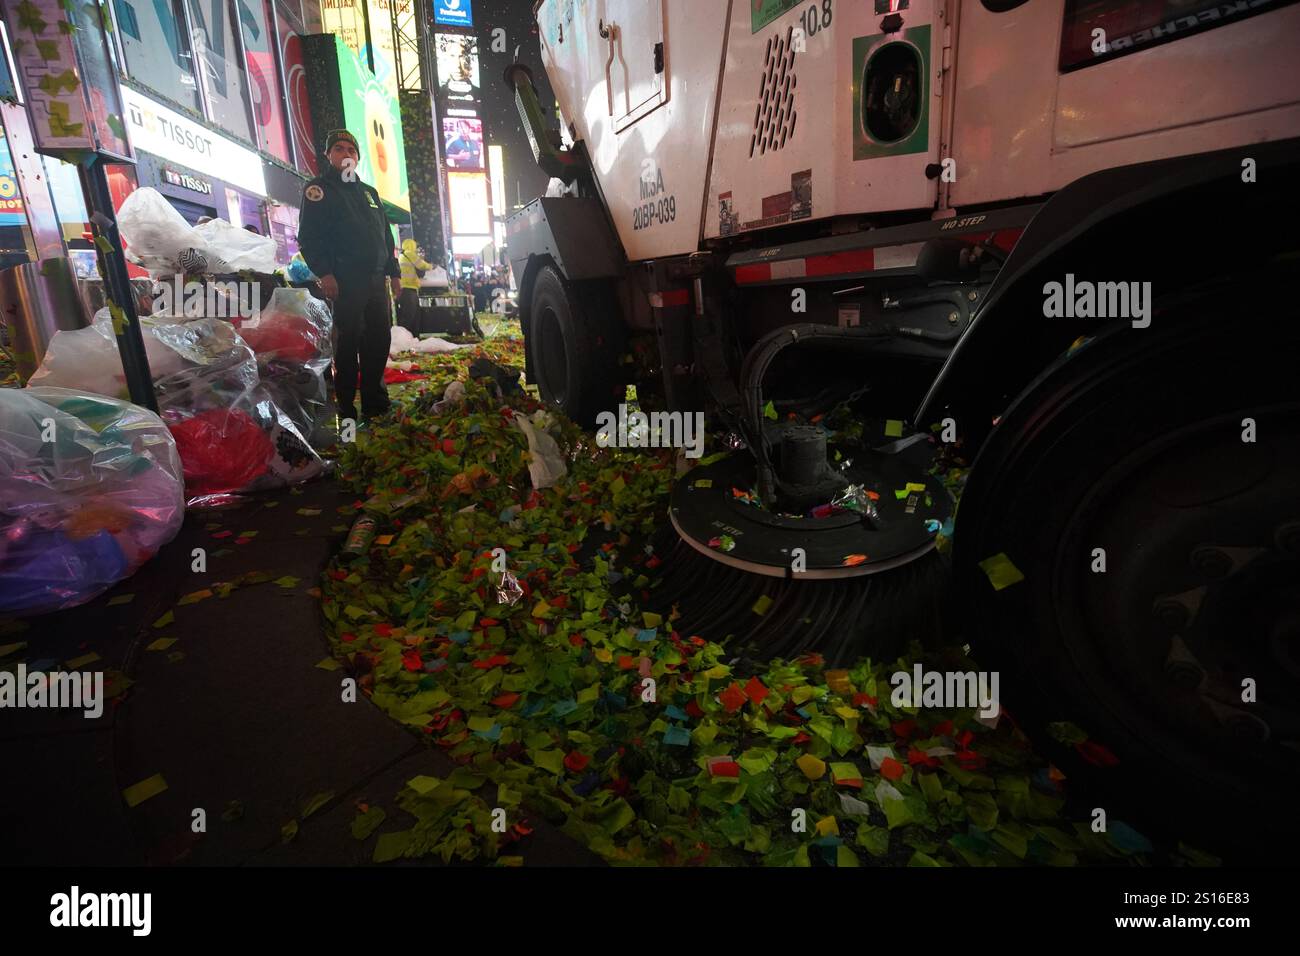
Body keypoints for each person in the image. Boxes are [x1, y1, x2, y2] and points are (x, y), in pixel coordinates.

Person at [297, 129, 401, 423]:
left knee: (378, 342)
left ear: (357, 157)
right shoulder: (319, 190)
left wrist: (393, 274)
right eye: (339, 149)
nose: (346, 154)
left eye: (351, 150)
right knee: (346, 348)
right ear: (329, 155)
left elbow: (385, 236)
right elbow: (309, 237)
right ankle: (346, 413)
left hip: (376, 282)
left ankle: (375, 406)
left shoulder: (369, 193)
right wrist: (326, 274)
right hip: (344, 283)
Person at [397, 239, 432, 333]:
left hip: (406, 289)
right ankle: (404, 339)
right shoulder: (409, 253)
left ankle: (411, 339)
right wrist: (432, 266)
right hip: (408, 289)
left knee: (413, 316)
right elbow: (421, 265)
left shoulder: (402, 255)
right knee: (410, 316)